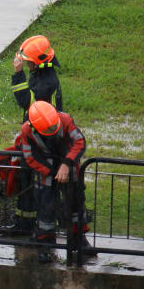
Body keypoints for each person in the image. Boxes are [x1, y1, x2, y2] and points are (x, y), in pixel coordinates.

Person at [0, 35, 63, 236]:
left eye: (28, 61)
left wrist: (18, 74)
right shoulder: (41, 75)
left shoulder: (47, 84)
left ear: (39, 62)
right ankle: (23, 222)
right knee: (24, 178)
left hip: (42, 142)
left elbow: (26, 101)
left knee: (40, 187)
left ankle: (41, 229)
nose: (26, 63)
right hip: (35, 136)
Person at [20, 101, 95, 263]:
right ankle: (45, 244)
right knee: (45, 208)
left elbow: (79, 142)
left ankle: (78, 238)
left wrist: (66, 165)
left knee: (76, 204)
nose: (53, 131)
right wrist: (51, 172)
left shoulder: (66, 120)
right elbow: (29, 157)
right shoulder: (27, 130)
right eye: (48, 130)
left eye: (54, 127)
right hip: (44, 172)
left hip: (70, 170)